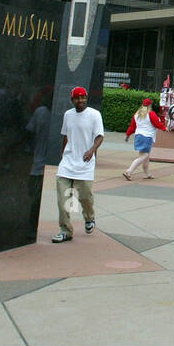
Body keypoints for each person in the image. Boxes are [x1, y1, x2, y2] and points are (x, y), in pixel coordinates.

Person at [53, 87, 104, 243]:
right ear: (72, 100)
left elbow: (100, 136)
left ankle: (89, 218)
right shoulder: (68, 115)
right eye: (77, 98)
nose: (80, 100)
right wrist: (63, 154)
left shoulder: (95, 115)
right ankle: (65, 230)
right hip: (68, 163)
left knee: (85, 198)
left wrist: (92, 150)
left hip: (85, 163)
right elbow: (66, 135)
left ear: (86, 98)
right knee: (63, 200)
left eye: (83, 97)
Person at [123, 98, 160, 180]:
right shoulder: (151, 113)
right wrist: (164, 128)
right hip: (147, 137)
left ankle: (147, 174)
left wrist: (128, 134)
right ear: (150, 105)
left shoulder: (137, 114)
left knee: (144, 156)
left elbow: (132, 126)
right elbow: (157, 123)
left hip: (138, 136)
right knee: (144, 156)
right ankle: (129, 171)